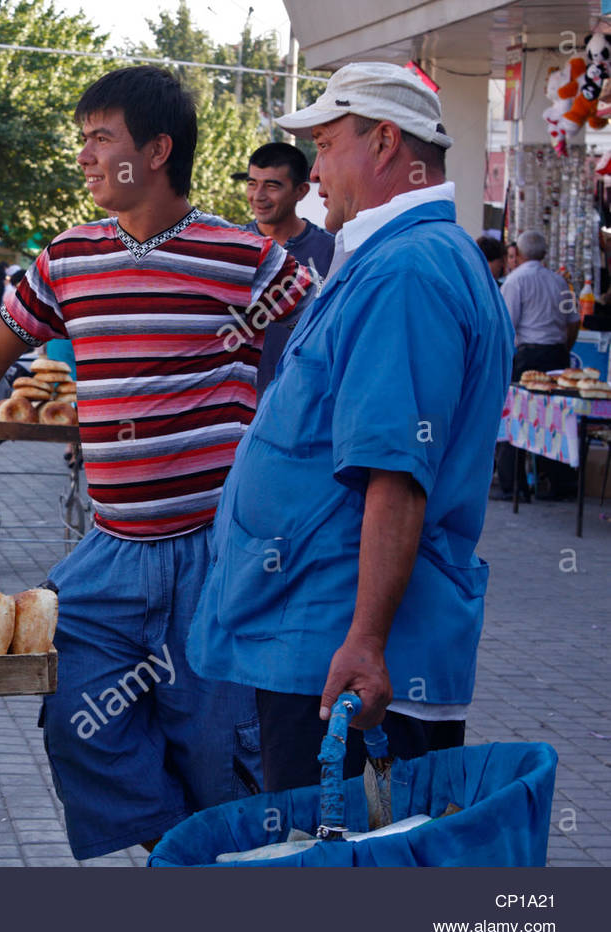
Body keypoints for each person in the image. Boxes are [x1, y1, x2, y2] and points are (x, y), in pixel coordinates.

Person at [0, 66, 311, 859]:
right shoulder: (69, 259)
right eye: (84, 139)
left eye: (101, 138)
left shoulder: (245, 257)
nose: (85, 156)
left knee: (219, 752)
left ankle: (210, 864)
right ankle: (179, 850)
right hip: (108, 555)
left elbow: (331, 350)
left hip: (217, 556)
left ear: (157, 151)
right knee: (78, 721)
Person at [185, 62, 514, 794]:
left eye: (327, 146)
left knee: (330, 854)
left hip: (346, 655)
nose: (314, 173)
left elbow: (397, 470)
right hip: (328, 640)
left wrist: (366, 640)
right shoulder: (401, 257)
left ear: (386, 143)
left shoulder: (408, 269)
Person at [242, 141, 335, 396]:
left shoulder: (332, 252)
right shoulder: (233, 250)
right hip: (242, 405)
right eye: (252, 183)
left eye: (272, 186)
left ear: (301, 191)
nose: (258, 196)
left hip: (308, 399)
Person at [494, 229, 580, 500]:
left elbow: (507, 325)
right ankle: (558, 482)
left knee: (515, 414)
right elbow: (573, 321)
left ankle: (514, 485)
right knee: (556, 416)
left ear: (518, 253)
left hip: (528, 356)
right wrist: (564, 348)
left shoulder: (515, 281)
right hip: (556, 354)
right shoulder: (559, 282)